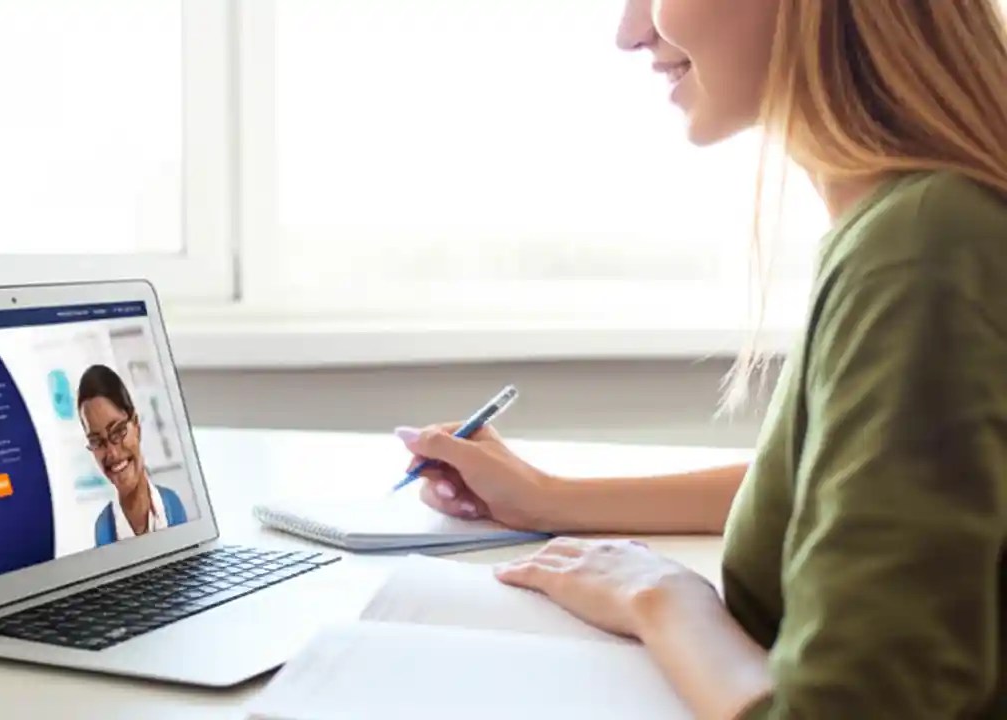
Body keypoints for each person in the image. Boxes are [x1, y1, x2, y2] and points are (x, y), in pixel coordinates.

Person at [395, 1, 1007, 717]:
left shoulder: (919, 250)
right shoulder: (920, 224)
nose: (630, 32)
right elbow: (848, 487)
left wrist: (662, 598)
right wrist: (552, 498)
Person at [76, 364, 188, 546]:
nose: (112, 452)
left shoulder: (174, 505)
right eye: (97, 441)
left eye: (118, 430)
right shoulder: (103, 529)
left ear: (136, 425)